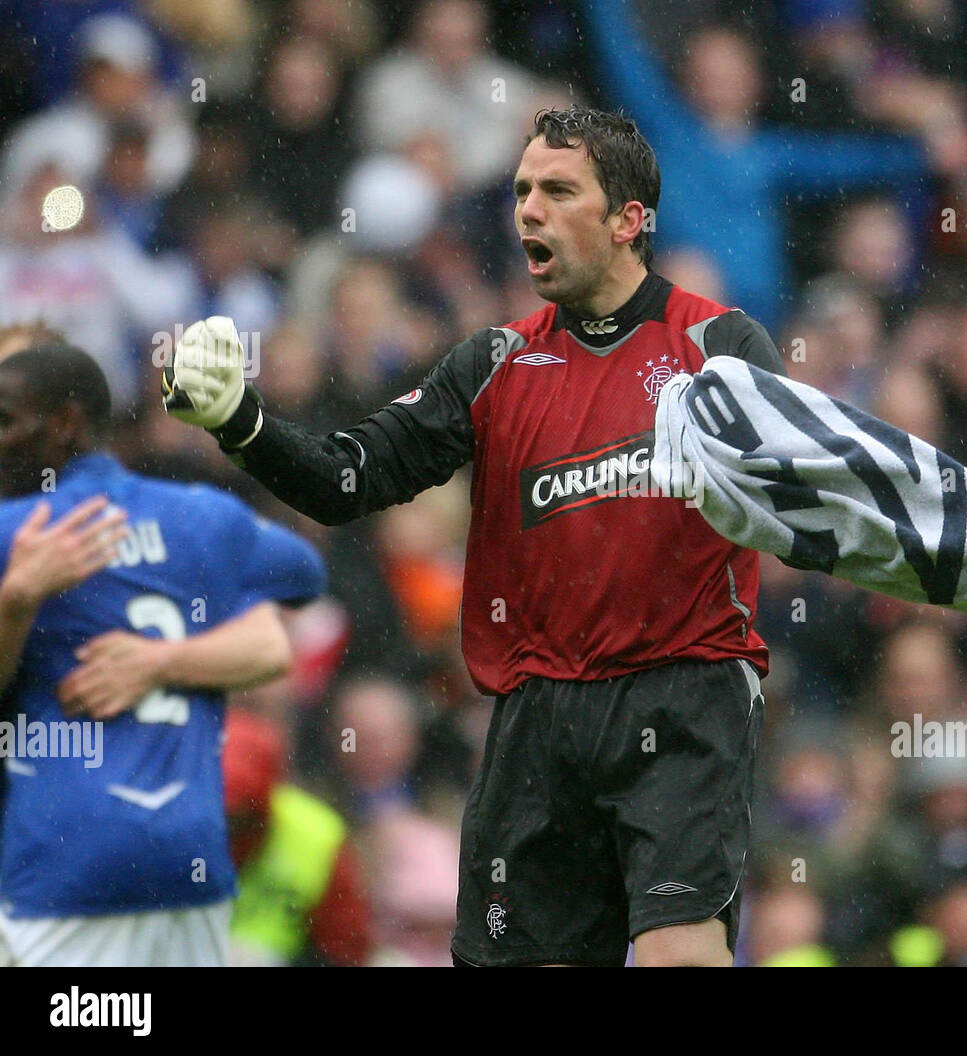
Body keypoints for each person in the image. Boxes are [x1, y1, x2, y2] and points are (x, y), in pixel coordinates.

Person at [163, 105, 783, 967]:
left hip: (683, 693)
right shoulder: (491, 365)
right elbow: (349, 482)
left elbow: (799, 491)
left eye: (559, 191)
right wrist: (240, 420)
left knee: (681, 954)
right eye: (522, 189)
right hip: (536, 712)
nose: (528, 208)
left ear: (628, 220)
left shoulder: (720, 345)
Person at [0, 341, 325, 967]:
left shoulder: (18, 533)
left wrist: (19, 596)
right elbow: (303, 573)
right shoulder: (198, 518)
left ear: (64, 424)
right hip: (188, 859)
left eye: (4, 420)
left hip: (70, 863)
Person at [224, 708, 371, 967]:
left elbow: (347, 950)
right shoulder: (157, 836)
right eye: (222, 816)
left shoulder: (316, 837)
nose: (230, 828)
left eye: (239, 817)